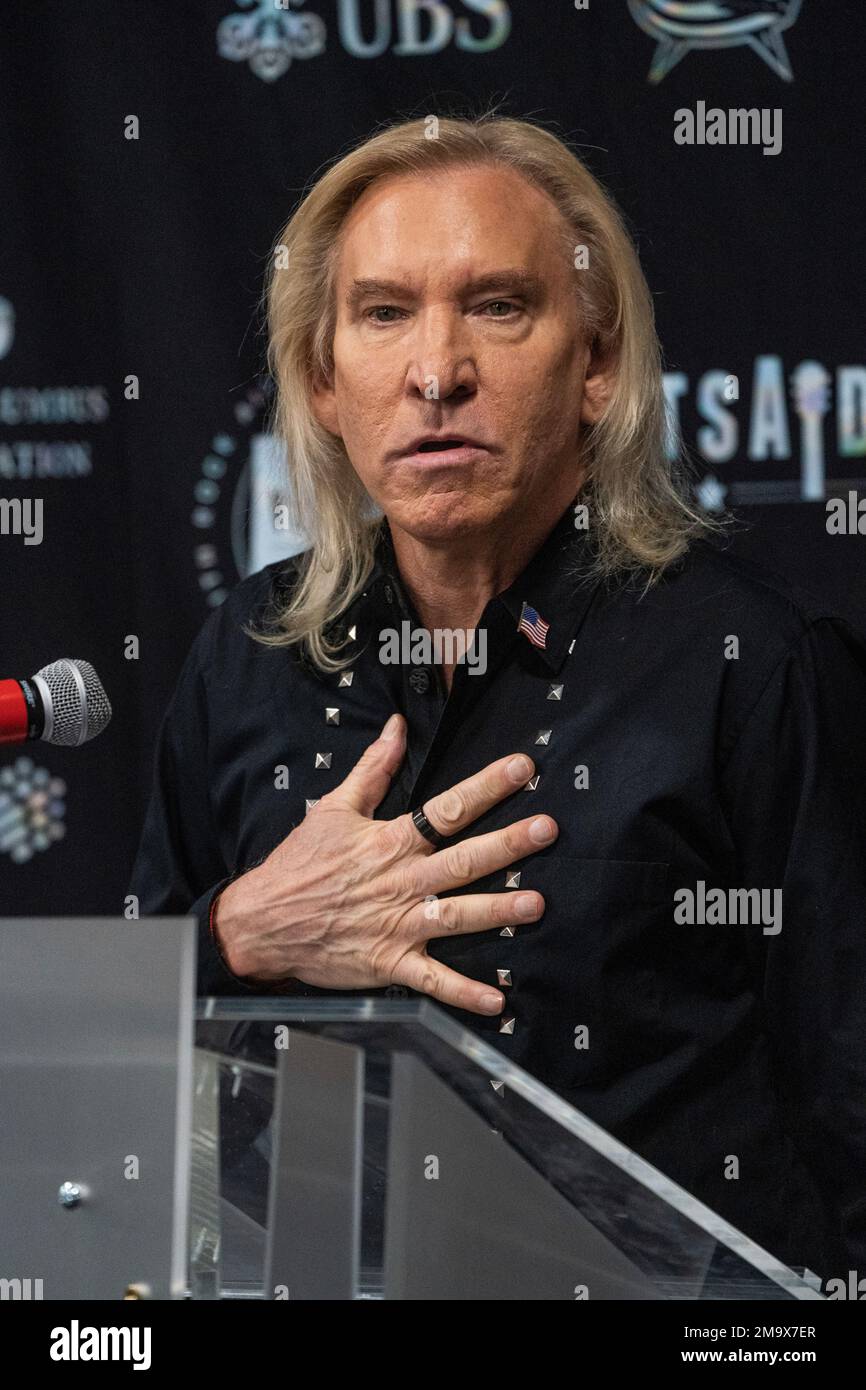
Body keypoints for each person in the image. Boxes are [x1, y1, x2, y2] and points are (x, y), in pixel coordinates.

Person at [130, 114, 866, 1282]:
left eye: (496, 306)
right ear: (323, 382)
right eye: (382, 314)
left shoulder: (750, 662)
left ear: (595, 364)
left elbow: (846, 1094)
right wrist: (240, 933)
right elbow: (125, 1068)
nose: (435, 372)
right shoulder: (247, 654)